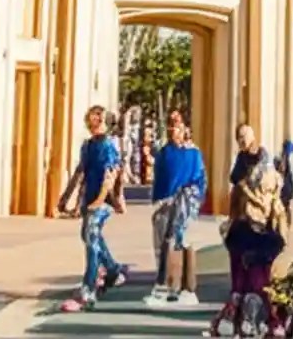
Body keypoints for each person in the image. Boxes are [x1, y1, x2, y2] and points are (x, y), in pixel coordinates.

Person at [59, 105, 129, 313]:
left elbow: (110, 177)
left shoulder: (108, 147)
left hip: (104, 201)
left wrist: (98, 201)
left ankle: (88, 289)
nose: (93, 124)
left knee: (90, 236)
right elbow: (80, 172)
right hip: (90, 198)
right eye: (90, 120)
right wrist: (66, 197)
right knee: (90, 235)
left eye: (97, 120)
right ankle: (114, 270)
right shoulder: (88, 146)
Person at [214, 146, 287, 338]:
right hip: (250, 236)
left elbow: (275, 211)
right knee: (252, 283)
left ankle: (245, 321)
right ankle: (249, 321)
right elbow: (235, 213)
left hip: (255, 237)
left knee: (251, 284)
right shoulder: (253, 186)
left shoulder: (254, 186)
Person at [144, 121, 207, 307]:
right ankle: (169, 287)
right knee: (165, 244)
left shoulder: (193, 154)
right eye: (170, 128)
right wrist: (158, 200)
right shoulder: (164, 153)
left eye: (177, 128)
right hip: (165, 204)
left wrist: (190, 199)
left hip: (185, 206)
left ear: (185, 130)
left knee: (180, 244)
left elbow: (200, 180)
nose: (173, 131)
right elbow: (160, 179)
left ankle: (183, 288)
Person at [274, 140, 293, 229]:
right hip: (287, 185)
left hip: (286, 185)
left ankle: (284, 223)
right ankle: (285, 223)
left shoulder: (286, 156)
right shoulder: (292, 156)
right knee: (284, 205)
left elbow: (283, 168)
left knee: (284, 205)